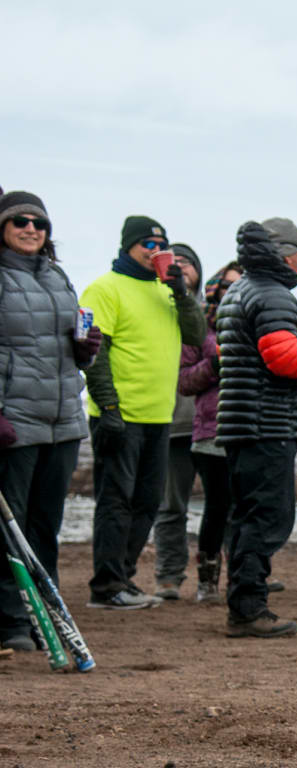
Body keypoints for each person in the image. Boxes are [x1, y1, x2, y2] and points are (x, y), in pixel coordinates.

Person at [81, 215, 205, 610]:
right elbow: (94, 352)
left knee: (148, 501)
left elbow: (197, 335)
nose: (155, 252)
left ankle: (124, 578)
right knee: (116, 499)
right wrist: (109, 407)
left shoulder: (166, 290)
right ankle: (106, 586)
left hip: (158, 414)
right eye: (148, 245)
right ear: (129, 246)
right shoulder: (104, 288)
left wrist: (181, 292)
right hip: (118, 412)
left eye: (161, 245)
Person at [0, 190, 100, 651]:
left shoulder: (57, 277)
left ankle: (48, 613)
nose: (30, 229)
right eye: (19, 221)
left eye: (39, 223)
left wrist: (83, 349)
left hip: (62, 417)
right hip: (15, 419)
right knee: (10, 525)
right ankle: (12, 620)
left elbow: (67, 340)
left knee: (45, 523)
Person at [216, 218, 297, 637]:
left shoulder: (240, 289)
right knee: (267, 517)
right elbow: (285, 359)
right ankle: (248, 608)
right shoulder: (273, 294)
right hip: (268, 424)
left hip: (243, 423)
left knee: (246, 515)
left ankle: (244, 599)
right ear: (287, 254)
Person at [184, 260, 242, 603]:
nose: (231, 293)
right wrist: (215, 364)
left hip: (251, 431)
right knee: (218, 507)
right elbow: (184, 382)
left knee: (246, 508)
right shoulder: (200, 333)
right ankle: (207, 580)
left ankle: (242, 576)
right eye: (226, 287)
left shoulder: (259, 326)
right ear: (215, 292)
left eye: (239, 285)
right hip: (211, 432)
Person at [148, 242, 203, 600]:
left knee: (227, 507)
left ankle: (220, 578)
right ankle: (168, 575)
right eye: (173, 261)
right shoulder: (154, 305)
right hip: (174, 422)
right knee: (171, 506)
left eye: (186, 262)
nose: (179, 267)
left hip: (215, 425)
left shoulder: (212, 310)